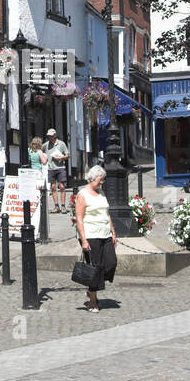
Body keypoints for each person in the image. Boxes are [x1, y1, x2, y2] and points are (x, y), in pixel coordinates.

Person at [74, 164, 117, 313]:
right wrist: (84, 240)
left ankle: (91, 289)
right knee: (95, 268)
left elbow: (107, 213)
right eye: (100, 179)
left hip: (105, 234)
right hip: (91, 235)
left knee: (111, 263)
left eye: (103, 180)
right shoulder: (82, 194)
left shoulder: (101, 193)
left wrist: (113, 231)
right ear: (92, 178)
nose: (102, 182)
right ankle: (93, 301)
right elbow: (79, 218)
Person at [44, 128, 70, 213]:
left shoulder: (61, 144)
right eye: (48, 136)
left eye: (51, 136)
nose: (50, 137)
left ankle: (63, 206)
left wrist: (61, 157)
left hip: (60, 167)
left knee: (62, 186)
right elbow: (39, 149)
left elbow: (67, 155)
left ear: (55, 135)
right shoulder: (46, 145)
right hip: (51, 168)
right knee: (53, 187)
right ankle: (56, 206)